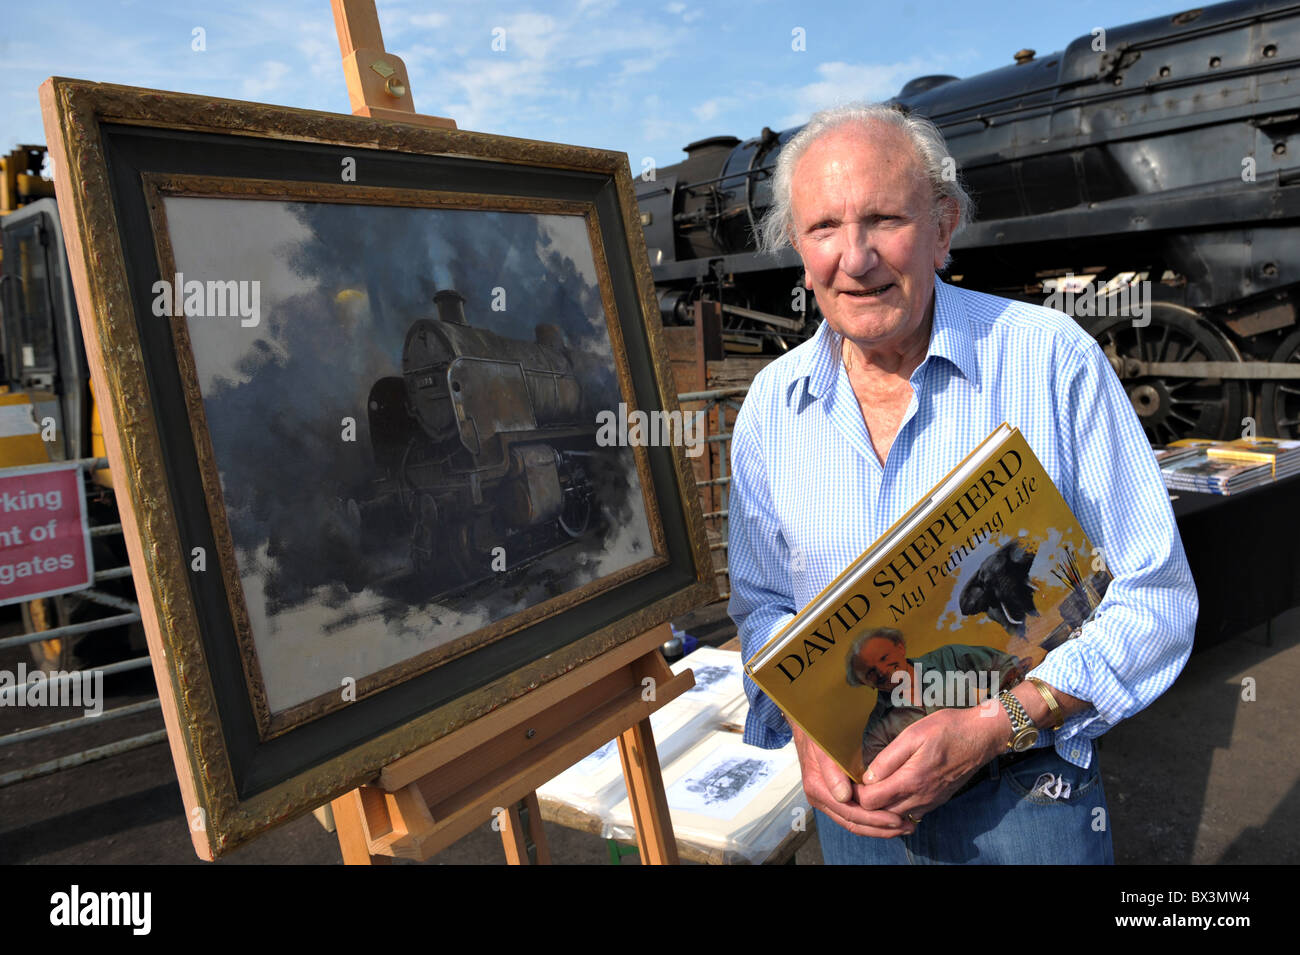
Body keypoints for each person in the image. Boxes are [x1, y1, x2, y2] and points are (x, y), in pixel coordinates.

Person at [727, 102, 1197, 864]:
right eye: (823, 229)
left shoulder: (1051, 361)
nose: (856, 257)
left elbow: (1157, 597)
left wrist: (994, 725)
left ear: (943, 227)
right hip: (859, 815)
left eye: (884, 218)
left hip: (1027, 794)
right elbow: (762, 604)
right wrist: (804, 718)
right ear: (797, 247)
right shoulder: (771, 409)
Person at [846, 628, 1029, 766]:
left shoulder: (949, 657)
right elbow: (881, 778)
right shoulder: (875, 732)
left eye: (884, 658)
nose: (882, 670)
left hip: (1019, 753)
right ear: (864, 683)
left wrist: (992, 714)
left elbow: (1010, 667)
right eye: (870, 672)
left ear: (900, 648)